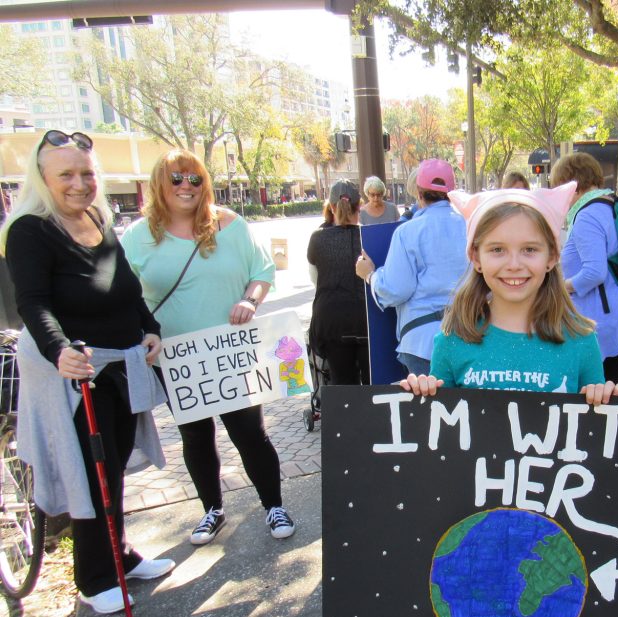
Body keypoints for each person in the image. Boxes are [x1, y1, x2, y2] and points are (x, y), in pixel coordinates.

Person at [402, 182, 618, 617]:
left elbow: (591, 430)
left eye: (529, 249)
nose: (514, 264)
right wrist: (424, 392)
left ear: (553, 256)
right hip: (475, 520)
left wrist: (600, 396)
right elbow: (440, 433)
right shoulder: (456, 339)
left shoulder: (578, 341)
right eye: (497, 249)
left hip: (545, 521)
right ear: (475, 258)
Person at [0, 130, 172, 614]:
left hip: (118, 364)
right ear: (43, 178)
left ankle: (118, 555)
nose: (79, 184)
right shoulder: (30, 230)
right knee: (90, 472)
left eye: (87, 173)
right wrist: (59, 351)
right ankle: (95, 578)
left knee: (111, 467)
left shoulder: (98, 217)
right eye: (67, 176)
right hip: (75, 371)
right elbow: (32, 302)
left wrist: (149, 326)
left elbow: (124, 285)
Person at [121, 149, 296, 546]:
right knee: (196, 436)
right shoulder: (137, 237)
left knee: (250, 433)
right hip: (176, 356)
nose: (186, 186)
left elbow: (262, 271)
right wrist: (139, 333)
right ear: (159, 184)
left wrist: (250, 300)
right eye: (177, 178)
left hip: (230, 351)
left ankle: (274, 505)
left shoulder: (231, 225)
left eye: (195, 178)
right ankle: (212, 509)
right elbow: (124, 294)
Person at [355, 158, 466, 375]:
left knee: (427, 409)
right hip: (470, 336)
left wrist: (370, 276)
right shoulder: (471, 226)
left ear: (418, 191)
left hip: (422, 343)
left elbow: (396, 290)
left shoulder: (408, 232)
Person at [549, 152, 618, 382]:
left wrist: (559, 288)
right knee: (609, 389)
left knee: (596, 394)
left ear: (571, 184)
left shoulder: (587, 215)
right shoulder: (613, 205)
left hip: (604, 322)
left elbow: (595, 272)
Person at [307, 180, 369, 384]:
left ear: (331, 207)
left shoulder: (317, 238)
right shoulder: (369, 236)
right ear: (358, 206)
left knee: (343, 386)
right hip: (367, 321)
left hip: (331, 322)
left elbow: (315, 279)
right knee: (373, 386)